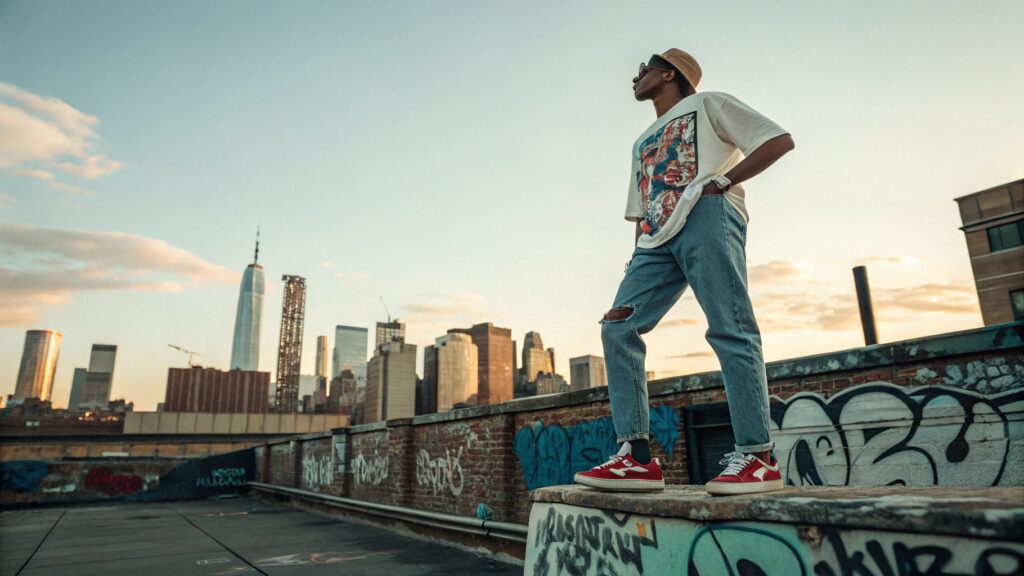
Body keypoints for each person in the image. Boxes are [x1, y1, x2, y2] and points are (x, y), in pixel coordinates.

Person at [573, 49, 795, 496]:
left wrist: (722, 182)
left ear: (668, 73)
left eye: (645, 69)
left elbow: (777, 140)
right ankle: (636, 458)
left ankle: (758, 456)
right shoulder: (641, 142)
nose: (636, 75)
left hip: (707, 215)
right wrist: (636, 255)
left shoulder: (707, 103)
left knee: (730, 326)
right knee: (618, 326)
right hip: (655, 239)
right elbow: (642, 208)